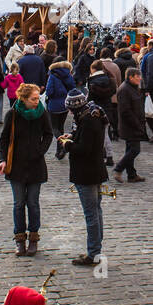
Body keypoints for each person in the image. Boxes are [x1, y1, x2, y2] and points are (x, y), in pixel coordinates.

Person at [0, 82, 54, 256]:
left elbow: (48, 134)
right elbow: (4, 138)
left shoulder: (42, 113)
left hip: (36, 164)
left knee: (33, 203)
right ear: (24, 99)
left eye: (38, 98)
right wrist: (2, 160)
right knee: (19, 203)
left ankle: (34, 239)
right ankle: (20, 239)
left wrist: (40, 150)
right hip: (17, 165)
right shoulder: (13, 114)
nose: (37, 101)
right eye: (34, 99)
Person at [61, 88, 107, 266]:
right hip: (95, 170)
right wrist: (72, 136)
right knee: (96, 210)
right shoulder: (91, 116)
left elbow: (84, 148)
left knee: (91, 213)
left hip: (87, 172)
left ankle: (94, 252)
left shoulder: (87, 121)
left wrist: (68, 145)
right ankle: (95, 248)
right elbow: (85, 139)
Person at [114, 67, 147, 183]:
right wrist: (137, 123)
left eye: (140, 76)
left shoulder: (132, 88)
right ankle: (119, 168)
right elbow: (125, 110)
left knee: (130, 149)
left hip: (134, 123)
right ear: (130, 77)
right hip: (130, 125)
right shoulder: (125, 89)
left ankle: (131, 175)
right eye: (137, 76)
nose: (139, 78)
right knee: (134, 150)